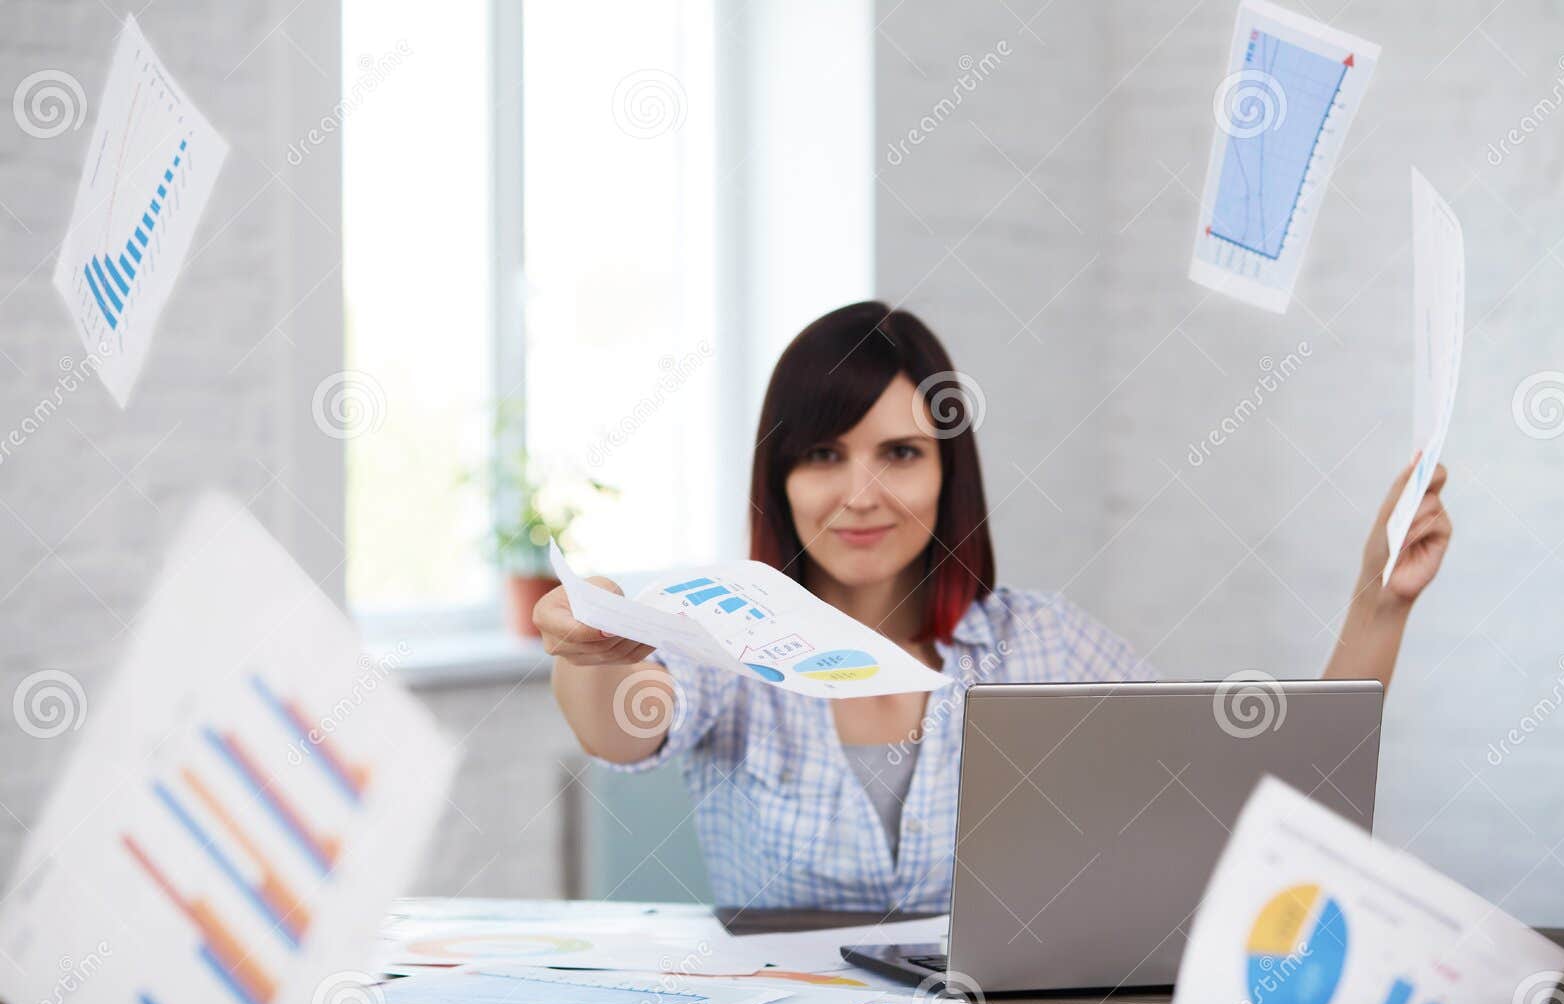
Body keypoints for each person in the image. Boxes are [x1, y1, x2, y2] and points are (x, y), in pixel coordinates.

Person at [535, 302, 1451, 911]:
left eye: (898, 453)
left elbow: (1268, 791)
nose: (861, 493)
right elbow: (616, 729)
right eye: (823, 454)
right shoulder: (725, 636)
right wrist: (592, 644)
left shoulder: (1038, 643)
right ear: (780, 479)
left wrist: (1380, 602)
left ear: (946, 472)